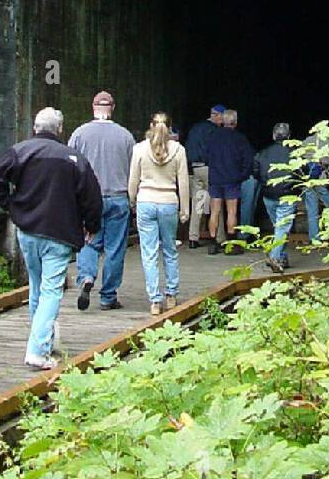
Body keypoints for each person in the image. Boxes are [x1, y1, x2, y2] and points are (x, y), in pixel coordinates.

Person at [0, 106, 102, 369]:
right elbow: (91, 197)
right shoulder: (73, 158)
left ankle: (43, 341)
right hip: (59, 233)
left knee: (37, 288)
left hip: (27, 231)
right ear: (60, 130)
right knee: (51, 290)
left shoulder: (20, 151)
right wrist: (91, 225)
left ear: (35, 128)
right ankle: (37, 351)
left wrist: (11, 205)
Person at [68, 91, 135, 312]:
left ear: (93, 107)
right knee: (115, 248)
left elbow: (70, 167)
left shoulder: (79, 134)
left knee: (89, 241)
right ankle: (108, 296)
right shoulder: (125, 136)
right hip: (118, 197)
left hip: (89, 199)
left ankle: (87, 276)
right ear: (112, 108)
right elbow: (134, 170)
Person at [128, 111, 190, 315]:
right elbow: (183, 182)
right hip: (168, 202)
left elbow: (133, 180)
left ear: (150, 126)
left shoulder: (139, 149)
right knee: (170, 250)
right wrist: (185, 209)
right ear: (170, 127)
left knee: (149, 253)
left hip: (146, 201)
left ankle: (155, 300)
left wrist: (132, 200)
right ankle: (171, 294)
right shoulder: (178, 150)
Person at [203, 108, 254, 255]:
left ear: (223, 121)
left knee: (215, 212)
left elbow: (205, 156)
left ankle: (212, 244)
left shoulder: (212, 137)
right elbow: (247, 159)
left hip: (216, 178)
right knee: (231, 212)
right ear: (235, 122)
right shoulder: (240, 138)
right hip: (232, 179)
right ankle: (231, 245)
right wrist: (242, 175)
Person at [254, 122, 297, 273]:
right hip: (288, 195)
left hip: (269, 195)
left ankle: (281, 256)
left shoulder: (263, 153)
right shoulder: (295, 154)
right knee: (282, 227)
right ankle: (275, 256)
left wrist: (265, 184)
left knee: (279, 227)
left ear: (273, 136)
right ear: (289, 136)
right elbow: (304, 171)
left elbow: (256, 172)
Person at [184, 105, 225, 249]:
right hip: (210, 169)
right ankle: (219, 237)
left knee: (198, 202)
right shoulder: (214, 131)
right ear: (216, 116)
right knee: (216, 203)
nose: (224, 121)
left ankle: (193, 238)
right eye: (223, 118)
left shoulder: (195, 128)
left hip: (196, 168)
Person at [303, 126, 329, 245]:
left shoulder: (305, 143)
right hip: (324, 180)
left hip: (309, 181)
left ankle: (314, 238)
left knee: (312, 211)